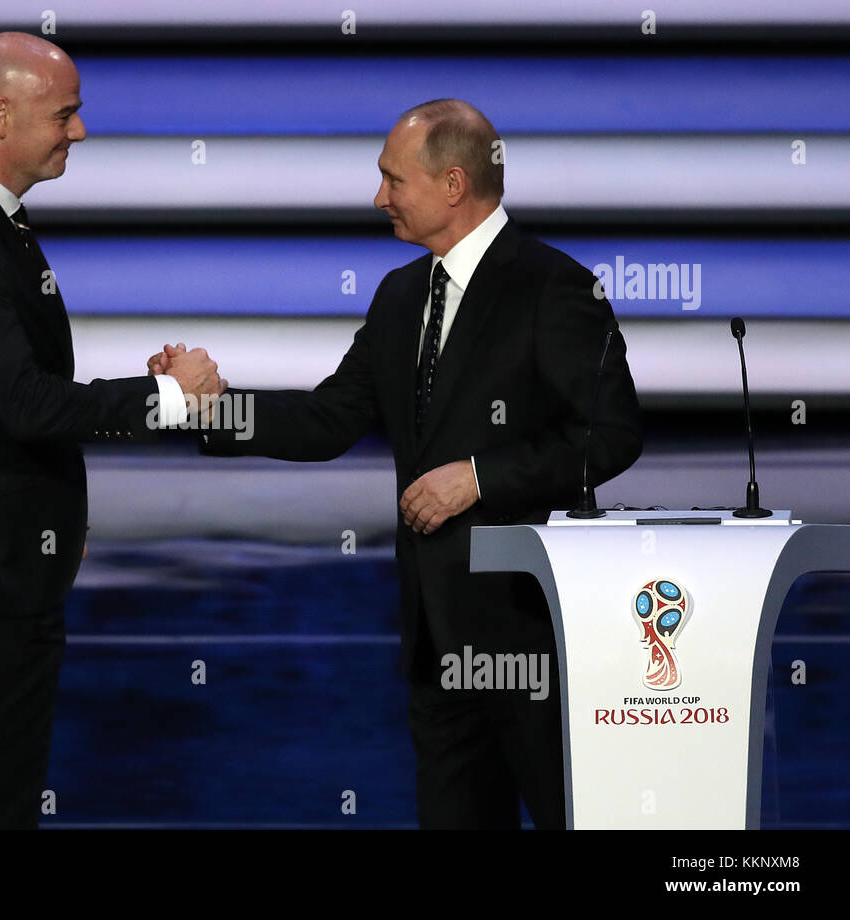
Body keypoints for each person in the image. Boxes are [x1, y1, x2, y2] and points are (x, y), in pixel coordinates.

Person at [153, 99, 642, 829]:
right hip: (437, 644)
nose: (378, 198)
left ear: (452, 184)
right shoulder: (401, 295)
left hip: (535, 636)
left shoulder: (554, 288)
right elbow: (327, 419)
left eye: (392, 180)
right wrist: (212, 406)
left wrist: (479, 475)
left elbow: (611, 435)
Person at [0, 32, 223, 829]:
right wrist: (162, 395)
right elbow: (22, 402)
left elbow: (12, 396)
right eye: (66, 113)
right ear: (0, 114)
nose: (80, 132)